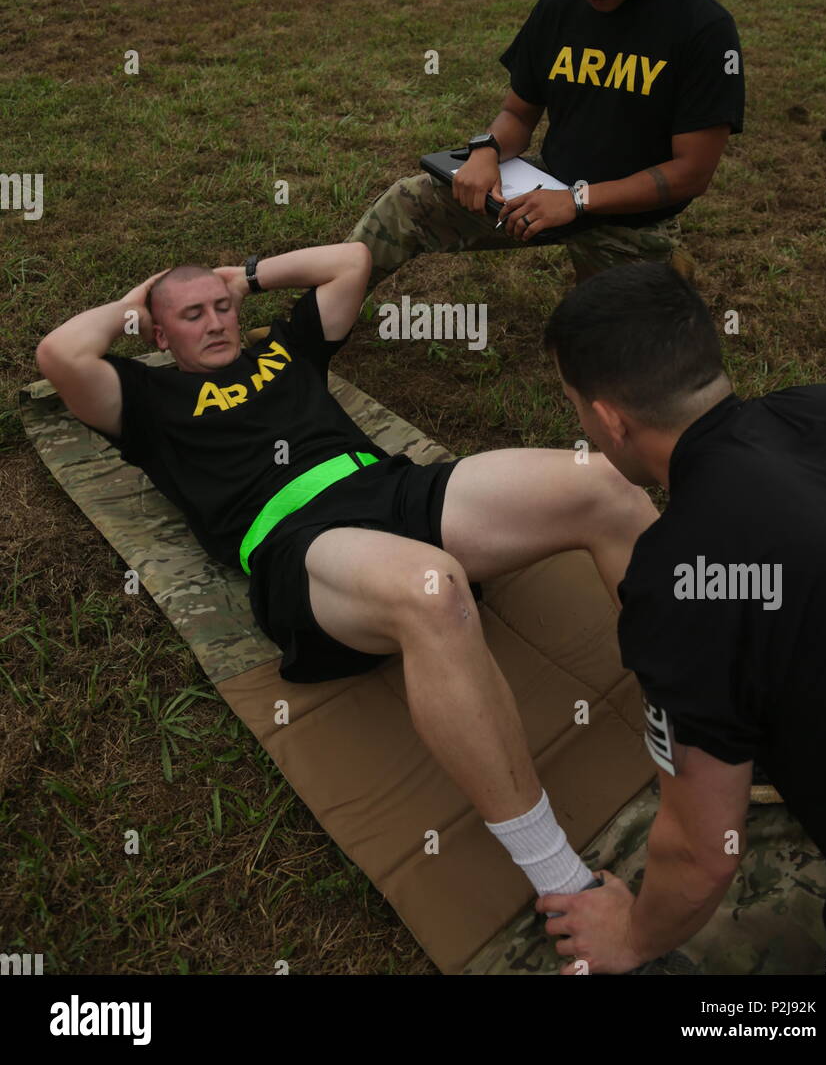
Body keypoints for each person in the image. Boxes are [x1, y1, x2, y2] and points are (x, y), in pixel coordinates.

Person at [35, 242, 657, 912]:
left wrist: (241, 277)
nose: (216, 322)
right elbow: (61, 356)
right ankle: (561, 880)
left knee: (605, 484)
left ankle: (697, 719)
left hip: (391, 488)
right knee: (433, 588)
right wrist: (139, 301)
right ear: (159, 334)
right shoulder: (145, 398)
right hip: (301, 542)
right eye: (191, 315)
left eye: (222, 309)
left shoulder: (284, 350)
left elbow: (352, 261)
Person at [538, 262, 826, 974]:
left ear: (609, 418)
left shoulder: (677, 579)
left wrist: (630, 939)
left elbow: (700, 851)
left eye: (573, 403)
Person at [347, 0, 745, 292]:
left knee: (613, 346)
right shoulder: (558, 10)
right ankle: (307, 332)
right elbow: (518, 113)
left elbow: (691, 172)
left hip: (630, 220)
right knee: (405, 203)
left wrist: (577, 202)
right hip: (543, 189)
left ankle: (658, 268)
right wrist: (486, 151)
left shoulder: (702, 28)